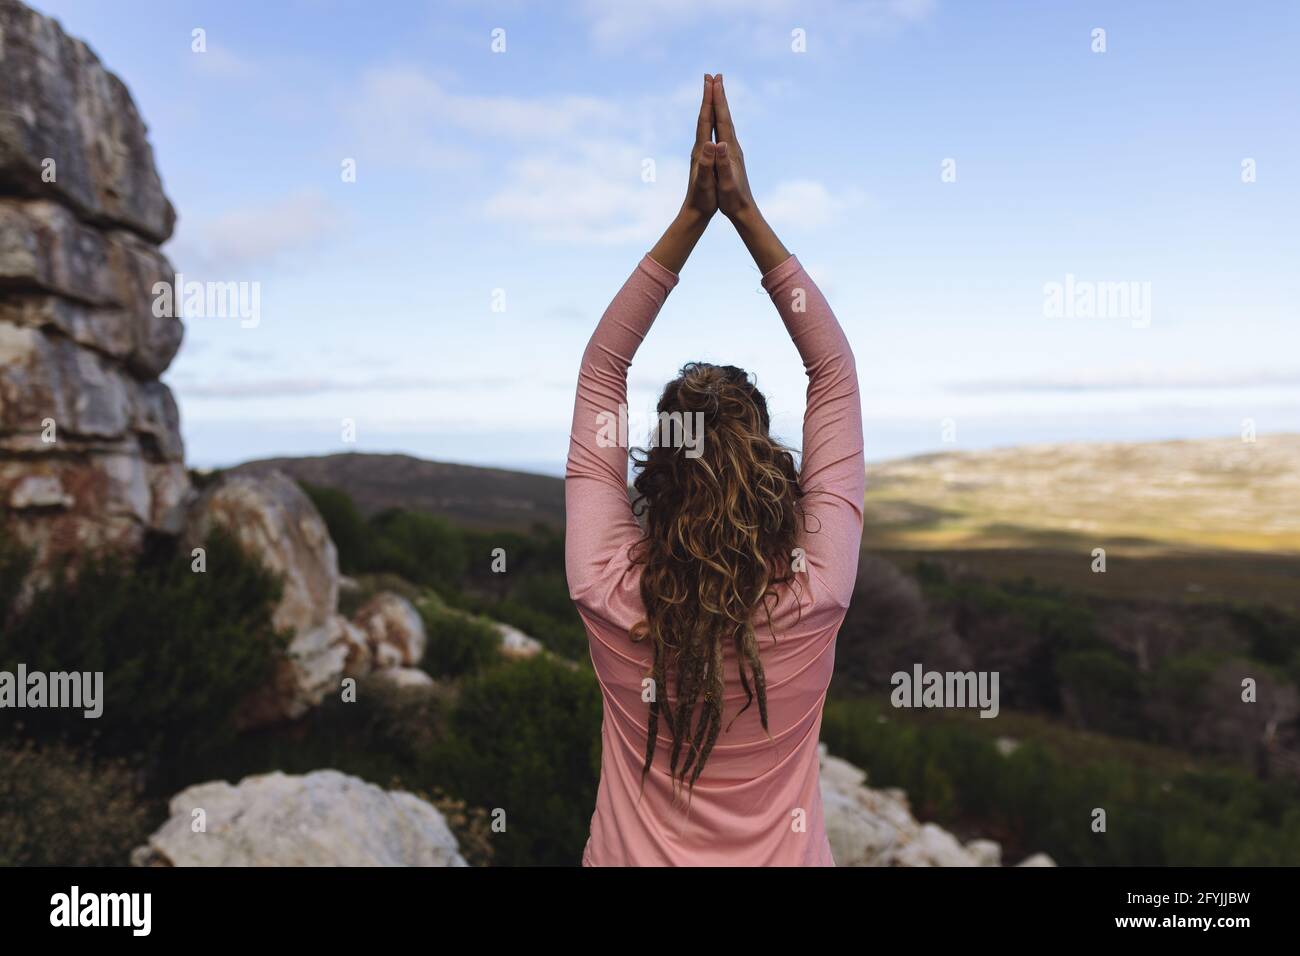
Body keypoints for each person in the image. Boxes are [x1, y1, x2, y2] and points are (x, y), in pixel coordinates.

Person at [565, 74, 864, 866]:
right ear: (768, 471)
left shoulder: (604, 583)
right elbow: (832, 371)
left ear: (658, 471)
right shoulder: (817, 587)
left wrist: (691, 216)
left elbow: (603, 369)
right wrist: (744, 214)